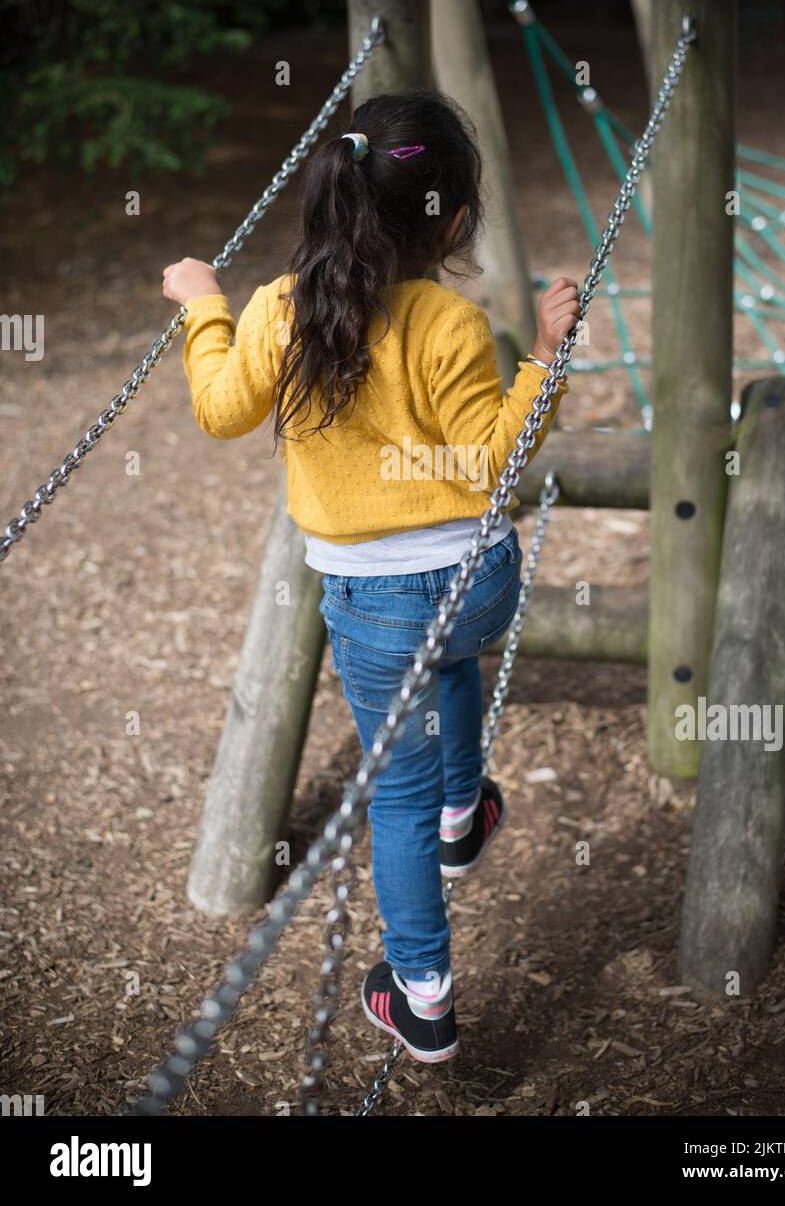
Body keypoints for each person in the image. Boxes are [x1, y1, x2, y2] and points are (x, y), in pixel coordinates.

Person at [163, 88, 579, 1064]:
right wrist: (549, 357)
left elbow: (221, 411)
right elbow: (492, 465)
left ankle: (422, 993)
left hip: (370, 602)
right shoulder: (448, 323)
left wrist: (203, 307)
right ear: (455, 220)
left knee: (391, 792)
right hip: (475, 584)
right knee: (454, 668)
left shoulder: (280, 312)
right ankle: (463, 808)